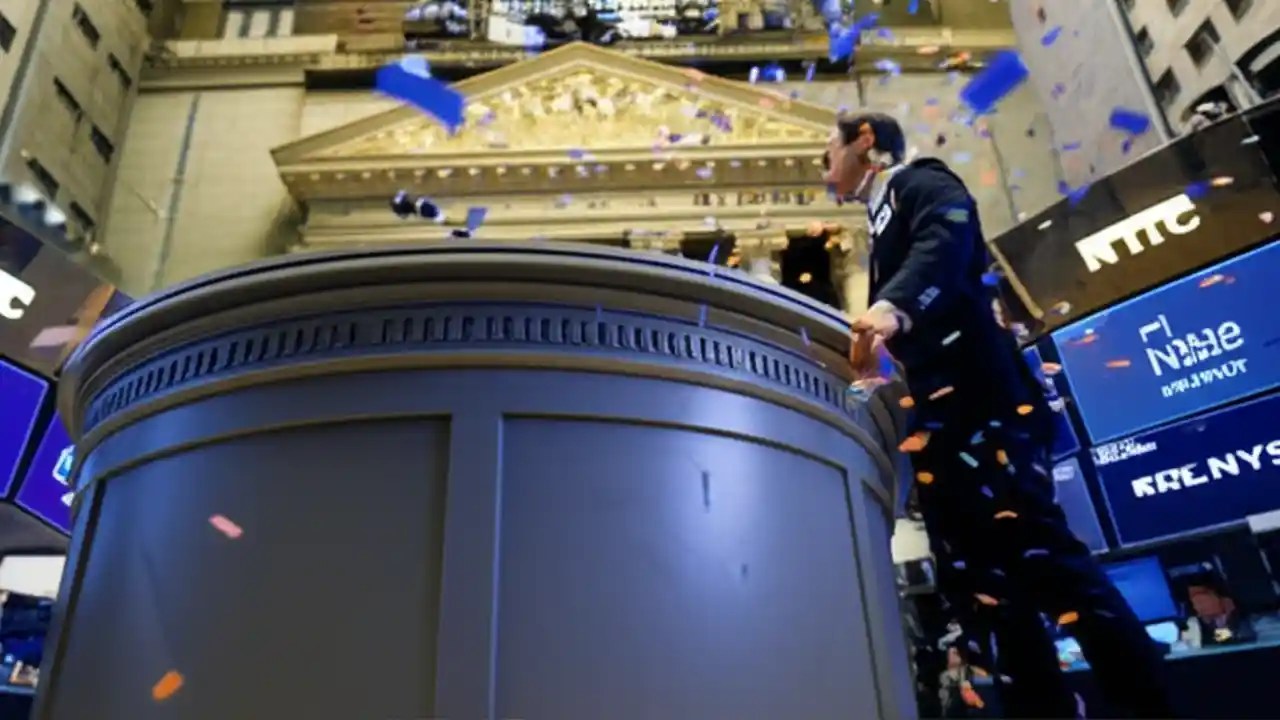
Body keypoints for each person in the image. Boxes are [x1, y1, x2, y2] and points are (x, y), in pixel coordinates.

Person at [824, 112, 1177, 718]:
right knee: (985, 596)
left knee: (1045, 559)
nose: (823, 165)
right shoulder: (879, 222)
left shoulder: (917, 182)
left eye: (828, 149)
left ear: (864, 141)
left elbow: (948, 235)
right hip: (943, 429)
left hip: (984, 410)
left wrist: (892, 308)